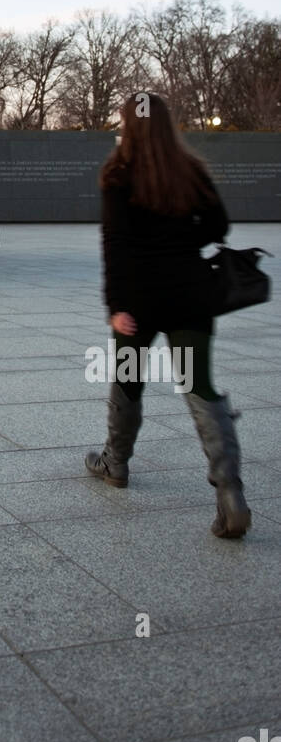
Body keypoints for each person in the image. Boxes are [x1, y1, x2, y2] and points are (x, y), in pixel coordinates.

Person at [86, 92, 250, 539]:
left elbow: (114, 245)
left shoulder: (117, 174)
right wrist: (182, 237)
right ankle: (230, 493)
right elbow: (218, 227)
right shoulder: (191, 169)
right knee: (200, 387)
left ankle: (115, 464)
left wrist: (116, 307)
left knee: (127, 379)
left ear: (129, 125)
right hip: (192, 296)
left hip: (138, 302)